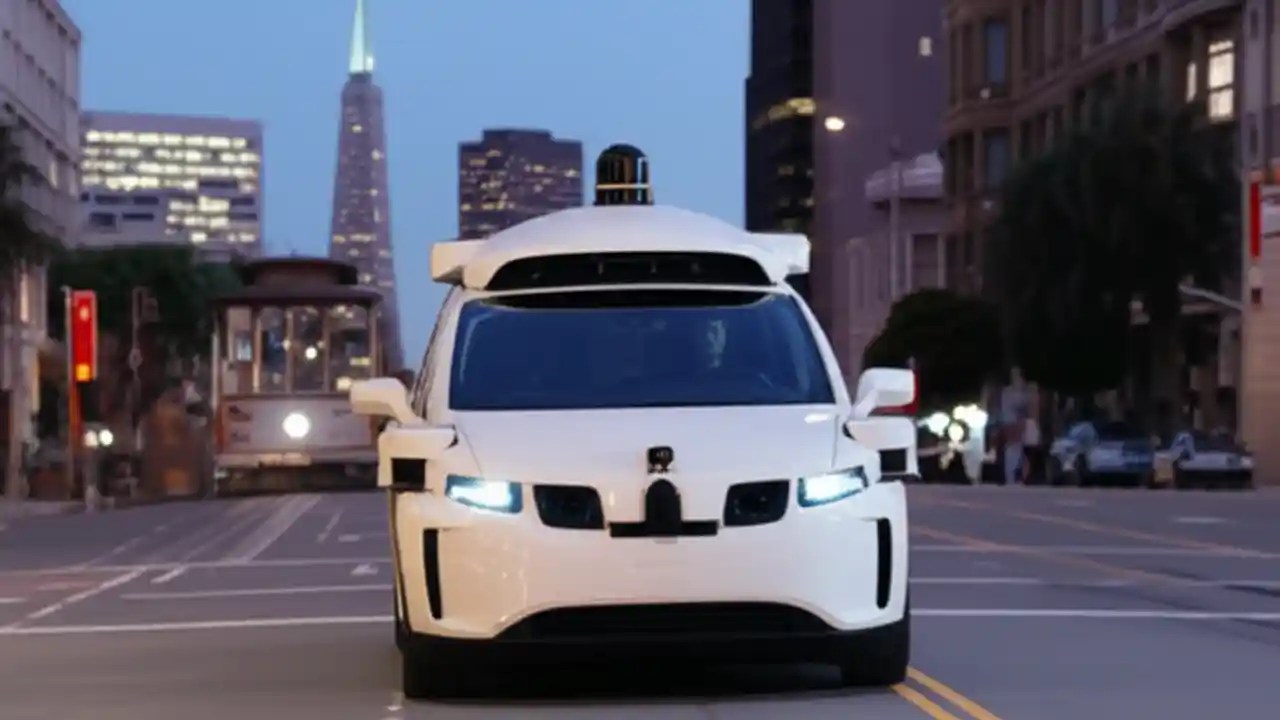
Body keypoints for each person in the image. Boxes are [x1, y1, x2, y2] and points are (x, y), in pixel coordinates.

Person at [1000, 368, 1030, 486]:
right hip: (1011, 421)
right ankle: (1011, 477)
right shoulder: (1008, 392)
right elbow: (1019, 405)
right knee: (1013, 447)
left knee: (1018, 448)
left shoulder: (1017, 392)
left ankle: (1016, 476)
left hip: (1016, 421)